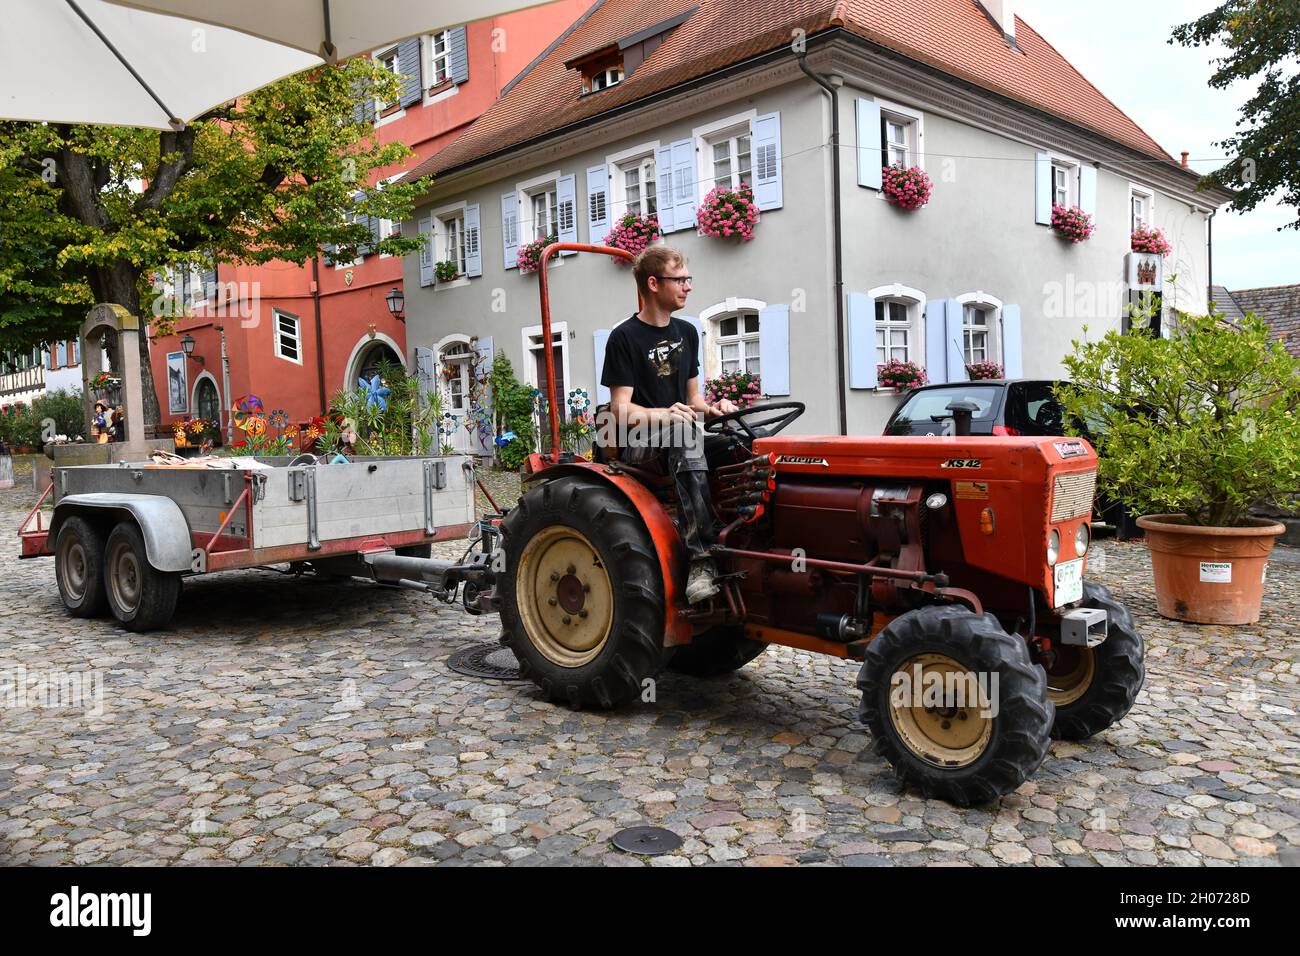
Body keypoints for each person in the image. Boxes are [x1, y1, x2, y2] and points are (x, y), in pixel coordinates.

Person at [600, 245, 737, 604]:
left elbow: (693, 403)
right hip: (639, 446)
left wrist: (715, 408)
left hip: (681, 432)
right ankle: (702, 558)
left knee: (740, 440)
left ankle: (742, 538)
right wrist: (666, 414)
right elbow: (620, 411)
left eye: (687, 278)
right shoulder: (624, 338)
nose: (688, 286)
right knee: (684, 432)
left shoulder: (688, 333)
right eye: (680, 279)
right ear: (653, 283)